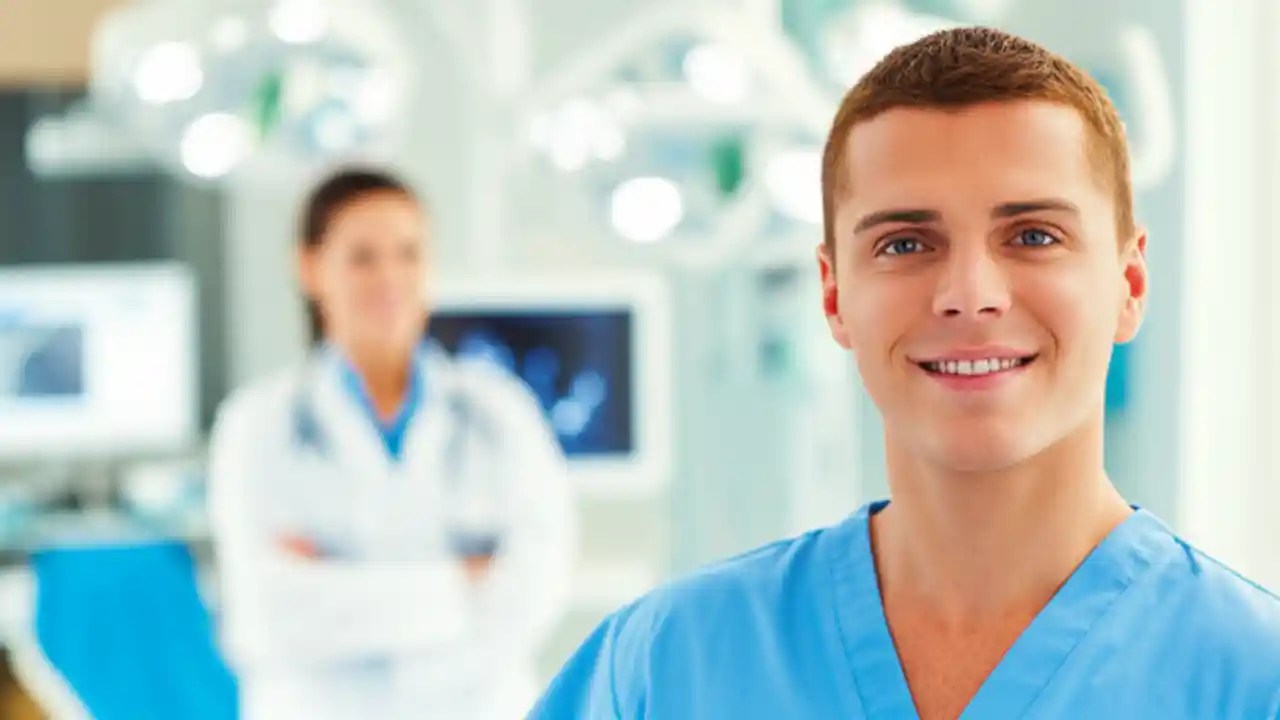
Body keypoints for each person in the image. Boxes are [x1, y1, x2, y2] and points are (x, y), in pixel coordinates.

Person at [530, 27, 1280, 720]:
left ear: (1130, 284)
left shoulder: (1252, 677)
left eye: (1033, 235)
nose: (970, 294)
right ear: (833, 296)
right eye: (904, 244)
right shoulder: (669, 667)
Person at [208, 168, 577, 720]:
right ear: (309, 268)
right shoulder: (256, 423)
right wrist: (462, 579)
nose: (390, 277)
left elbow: (536, 593)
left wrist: (338, 595)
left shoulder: (501, 412)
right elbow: (265, 618)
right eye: (363, 257)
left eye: (409, 253)